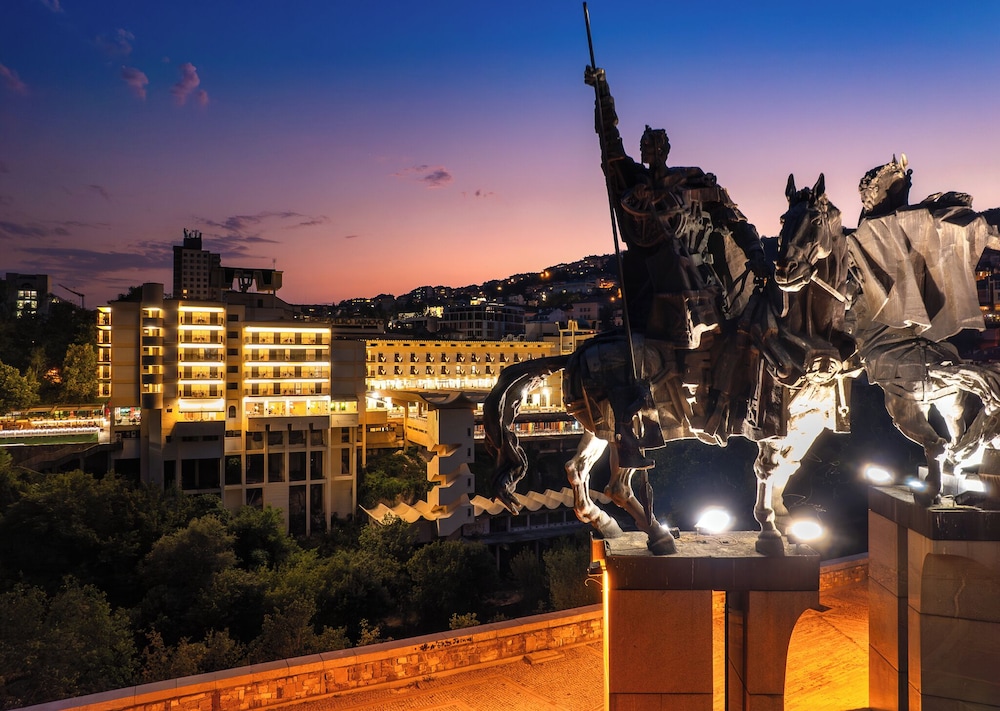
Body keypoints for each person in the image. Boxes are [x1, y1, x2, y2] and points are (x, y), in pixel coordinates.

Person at [584, 65, 772, 468]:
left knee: (750, 325)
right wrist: (603, 93)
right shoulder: (634, 182)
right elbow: (609, 147)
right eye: (646, 147)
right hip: (656, 279)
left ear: (666, 150)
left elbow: (739, 222)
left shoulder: (693, 180)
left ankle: (734, 406)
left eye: (656, 147)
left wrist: (757, 256)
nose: (650, 152)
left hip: (708, 277)